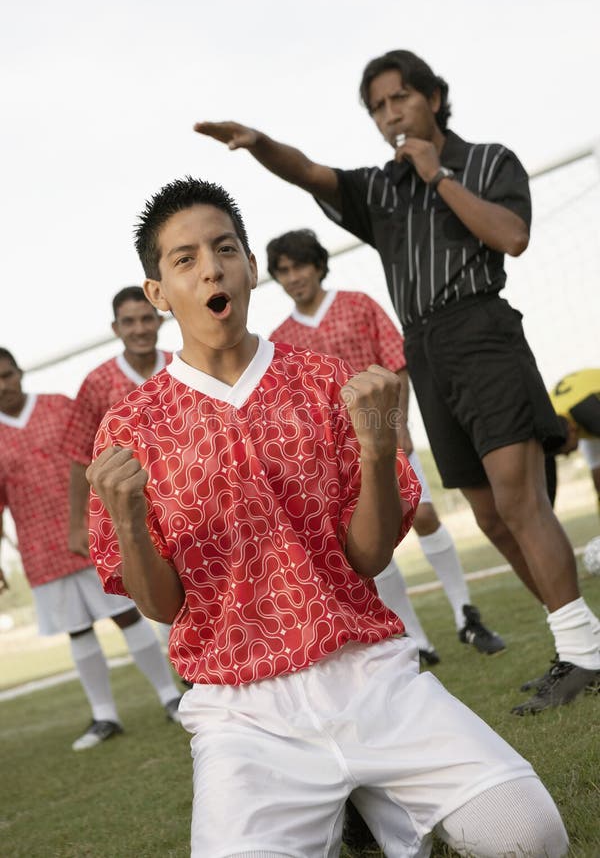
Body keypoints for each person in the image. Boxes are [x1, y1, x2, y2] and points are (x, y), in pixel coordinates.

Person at [86, 178, 568, 857]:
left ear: (251, 267)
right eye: (185, 258)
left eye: (225, 249)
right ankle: (359, 810)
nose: (212, 268)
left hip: (369, 674)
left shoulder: (322, 380)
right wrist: (129, 522)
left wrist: (377, 452)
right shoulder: (131, 426)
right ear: (158, 294)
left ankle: (369, 804)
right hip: (243, 712)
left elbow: (367, 557)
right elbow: (164, 607)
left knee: (531, 835)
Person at [194, 49, 600, 713]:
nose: (390, 115)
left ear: (433, 99)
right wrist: (259, 144)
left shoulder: (489, 160)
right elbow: (309, 173)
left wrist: (438, 175)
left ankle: (585, 651)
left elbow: (513, 236)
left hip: (482, 333)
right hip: (427, 347)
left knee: (519, 499)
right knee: (491, 515)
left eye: (399, 100)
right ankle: (578, 642)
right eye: (378, 107)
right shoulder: (380, 189)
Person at [267, 227, 504, 662]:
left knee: (426, 516)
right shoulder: (279, 338)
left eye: (299, 265)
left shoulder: (358, 303)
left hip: (384, 433)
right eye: (282, 270)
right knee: (370, 541)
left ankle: (464, 614)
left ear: (318, 265)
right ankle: (414, 638)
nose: (293, 276)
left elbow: (396, 364)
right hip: (332, 456)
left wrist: (398, 424)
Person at [0, 348, 182, 751]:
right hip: (40, 548)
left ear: (20, 372)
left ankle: (170, 696)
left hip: (91, 534)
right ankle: (104, 715)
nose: (4, 385)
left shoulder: (60, 406)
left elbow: (95, 451)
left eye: (7, 375)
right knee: (77, 629)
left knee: (126, 614)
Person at [67, 286, 171, 558]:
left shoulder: (182, 366)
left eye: (146, 319)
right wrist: (78, 523)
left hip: (191, 501)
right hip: (134, 513)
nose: (139, 329)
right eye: (129, 322)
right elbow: (80, 457)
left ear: (160, 320)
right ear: (116, 328)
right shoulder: (97, 383)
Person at [549, 369, 600, 516]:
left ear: (571, 430)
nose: (565, 455)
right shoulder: (547, 424)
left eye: (562, 450)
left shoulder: (591, 414)